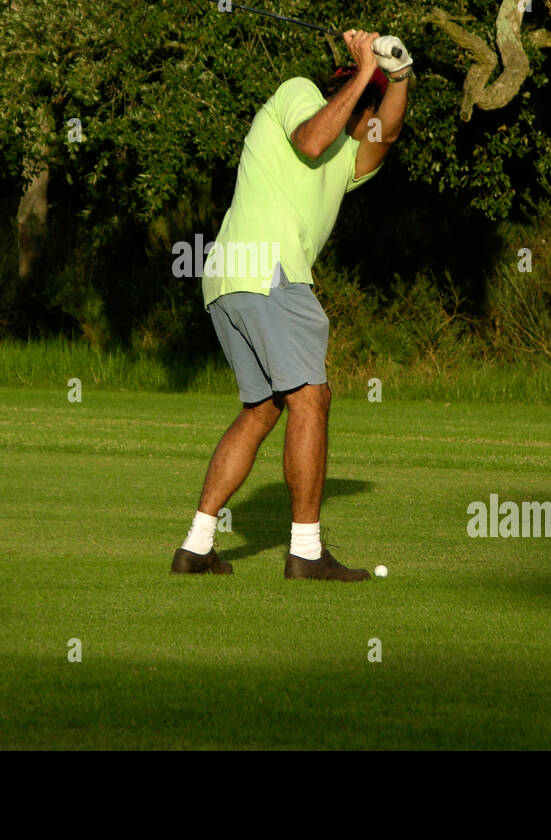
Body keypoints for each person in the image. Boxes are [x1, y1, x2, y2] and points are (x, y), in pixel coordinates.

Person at [172, 29, 413, 580]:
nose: (365, 106)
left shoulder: (353, 154)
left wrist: (397, 74)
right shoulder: (296, 93)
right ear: (340, 87)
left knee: (263, 409)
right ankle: (306, 553)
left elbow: (386, 131)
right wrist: (361, 71)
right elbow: (310, 139)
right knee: (311, 399)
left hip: (230, 279)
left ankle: (197, 545)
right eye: (359, 92)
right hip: (270, 272)